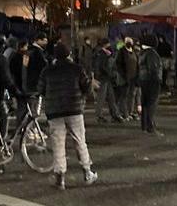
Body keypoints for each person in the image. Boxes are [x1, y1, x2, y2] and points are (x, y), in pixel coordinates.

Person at [39, 42, 98, 190]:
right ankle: (87, 172)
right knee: (80, 141)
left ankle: (60, 179)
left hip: (54, 111)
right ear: (69, 54)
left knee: (58, 144)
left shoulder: (47, 71)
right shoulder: (77, 69)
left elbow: (40, 89)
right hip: (74, 109)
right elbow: (86, 87)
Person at [92, 38, 123, 123]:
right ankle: (99, 116)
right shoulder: (101, 54)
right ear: (105, 45)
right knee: (101, 98)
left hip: (106, 78)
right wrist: (110, 74)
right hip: (103, 78)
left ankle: (115, 114)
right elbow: (102, 67)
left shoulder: (105, 53)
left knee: (111, 97)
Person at [138, 35, 163, 136]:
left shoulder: (142, 53)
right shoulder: (152, 54)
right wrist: (157, 79)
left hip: (143, 80)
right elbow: (153, 68)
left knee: (145, 104)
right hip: (152, 81)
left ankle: (144, 125)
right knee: (152, 104)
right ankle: (150, 126)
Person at [114, 37, 138, 120]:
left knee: (132, 95)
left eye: (130, 42)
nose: (129, 43)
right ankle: (124, 113)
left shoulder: (134, 51)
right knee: (124, 96)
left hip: (133, 77)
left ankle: (130, 112)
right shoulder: (122, 52)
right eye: (128, 42)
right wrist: (123, 75)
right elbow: (118, 64)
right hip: (125, 77)